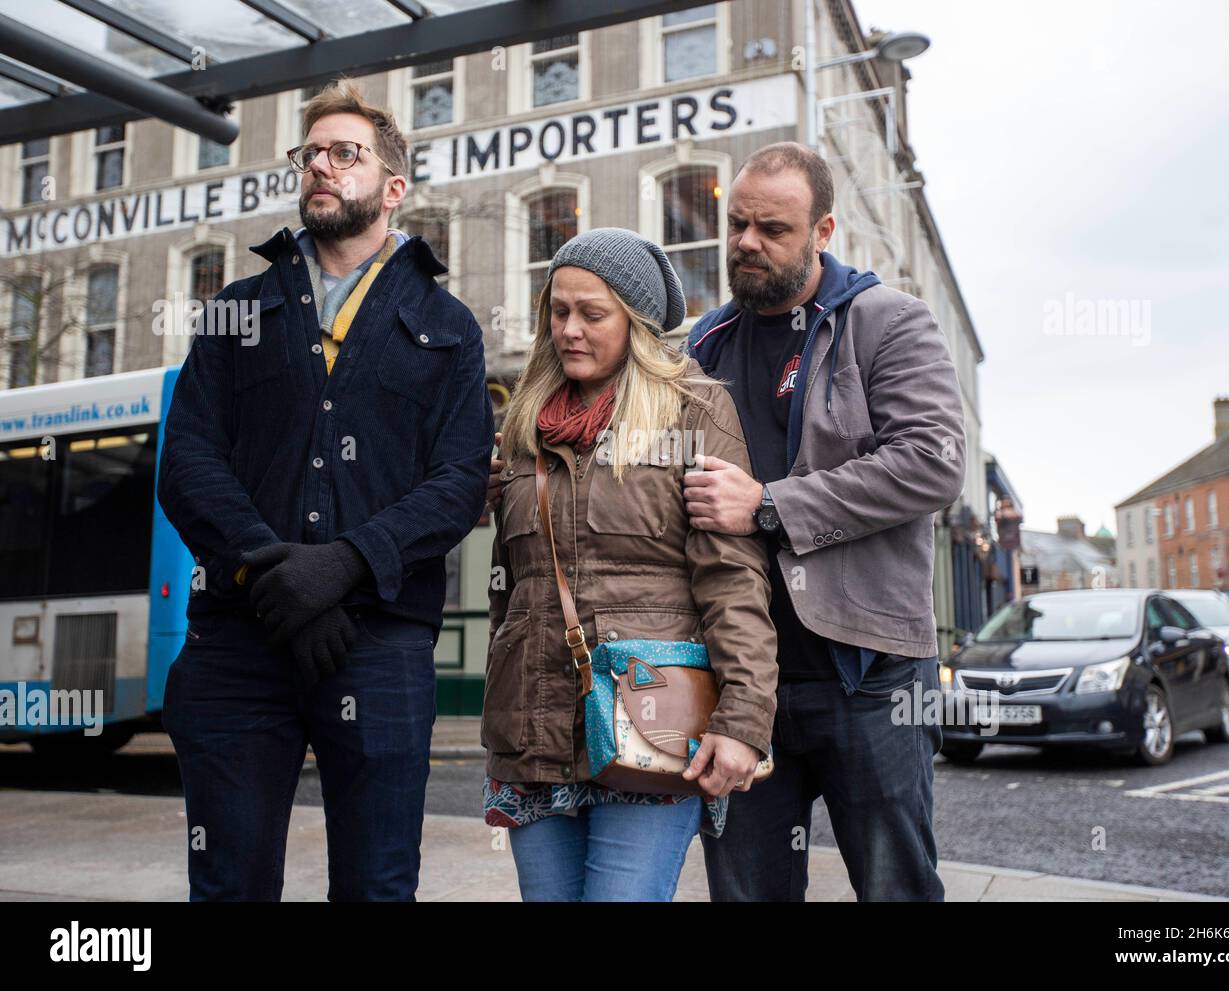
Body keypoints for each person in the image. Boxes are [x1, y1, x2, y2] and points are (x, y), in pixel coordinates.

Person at [157, 79, 493, 901]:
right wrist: (276, 574)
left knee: (378, 885)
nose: (322, 166)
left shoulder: (449, 326)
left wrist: (342, 566)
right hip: (239, 640)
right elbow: (189, 464)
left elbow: (458, 484)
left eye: (347, 153)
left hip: (378, 645)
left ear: (393, 187)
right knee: (228, 882)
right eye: (311, 153)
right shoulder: (236, 312)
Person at [681, 142, 967, 901]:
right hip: (743, 685)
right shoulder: (700, 347)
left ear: (824, 230)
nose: (746, 242)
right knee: (747, 892)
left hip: (869, 674)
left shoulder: (889, 322)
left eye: (772, 228)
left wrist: (770, 504)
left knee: (895, 886)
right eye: (736, 223)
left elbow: (932, 462)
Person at [482, 227, 778, 901]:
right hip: (534, 723)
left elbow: (733, 579)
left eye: (592, 313)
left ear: (636, 321)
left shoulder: (694, 407)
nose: (569, 330)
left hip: (652, 714)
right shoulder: (523, 421)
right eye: (559, 311)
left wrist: (743, 721)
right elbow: (513, 583)